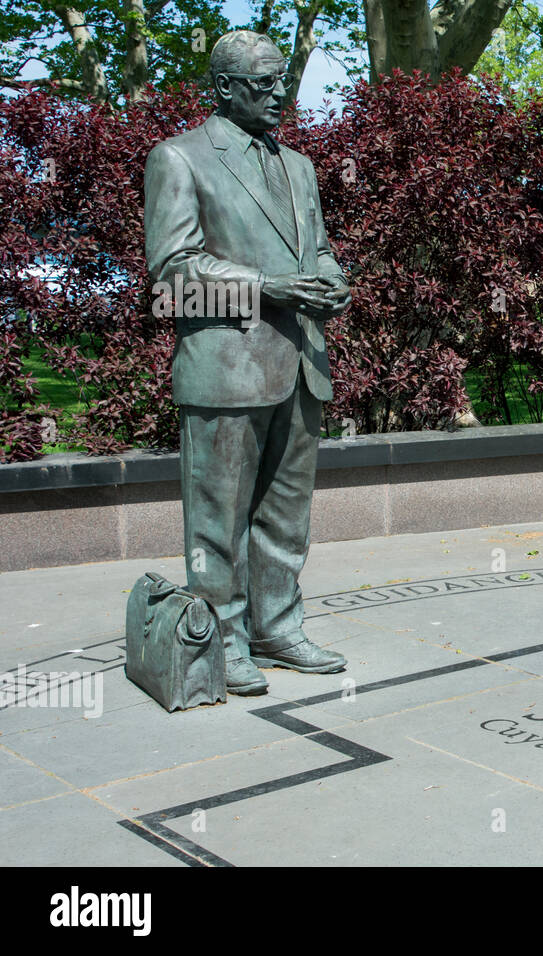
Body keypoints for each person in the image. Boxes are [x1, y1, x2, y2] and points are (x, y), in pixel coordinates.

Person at [144, 29, 349, 695]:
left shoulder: (298, 168)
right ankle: (222, 639)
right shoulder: (179, 159)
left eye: (281, 81)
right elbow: (172, 273)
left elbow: (314, 251)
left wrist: (330, 279)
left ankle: (278, 628)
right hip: (226, 368)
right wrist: (268, 287)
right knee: (220, 520)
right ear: (225, 89)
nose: (279, 95)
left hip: (299, 363)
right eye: (262, 85)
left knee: (287, 515)